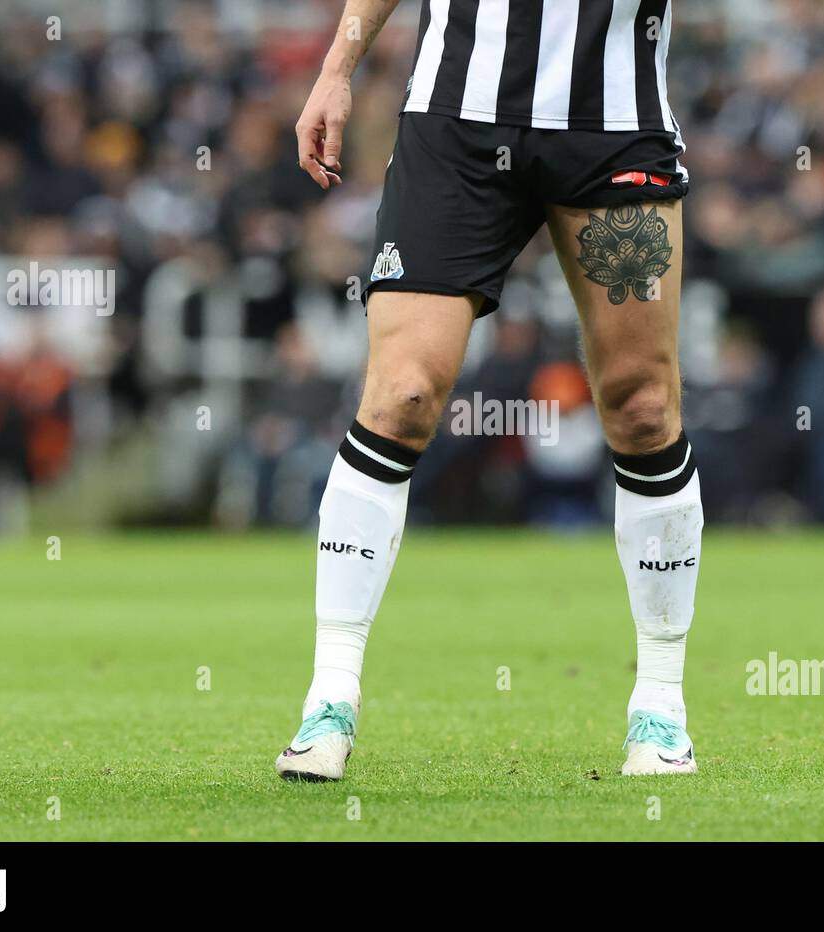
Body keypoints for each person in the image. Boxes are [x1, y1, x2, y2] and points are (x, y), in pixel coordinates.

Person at [276, 0, 701, 780]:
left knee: (642, 407)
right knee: (400, 393)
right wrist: (338, 68)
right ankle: (329, 697)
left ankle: (661, 704)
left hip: (612, 123)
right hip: (458, 123)